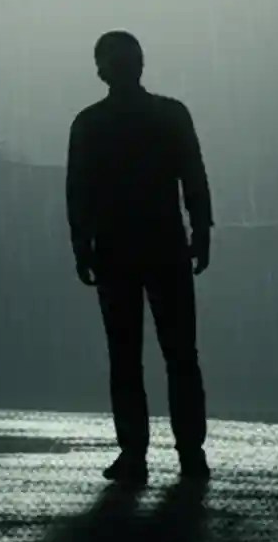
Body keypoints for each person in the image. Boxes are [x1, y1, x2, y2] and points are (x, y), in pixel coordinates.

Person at [66, 30, 213, 484]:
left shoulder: (89, 124)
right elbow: (193, 175)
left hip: (115, 248)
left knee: (126, 357)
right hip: (164, 244)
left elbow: (79, 192)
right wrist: (201, 230)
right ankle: (190, 454)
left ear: (100, 70)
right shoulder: (170, 115)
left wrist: (81, 244)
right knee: (180, 354)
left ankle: (134, 454)